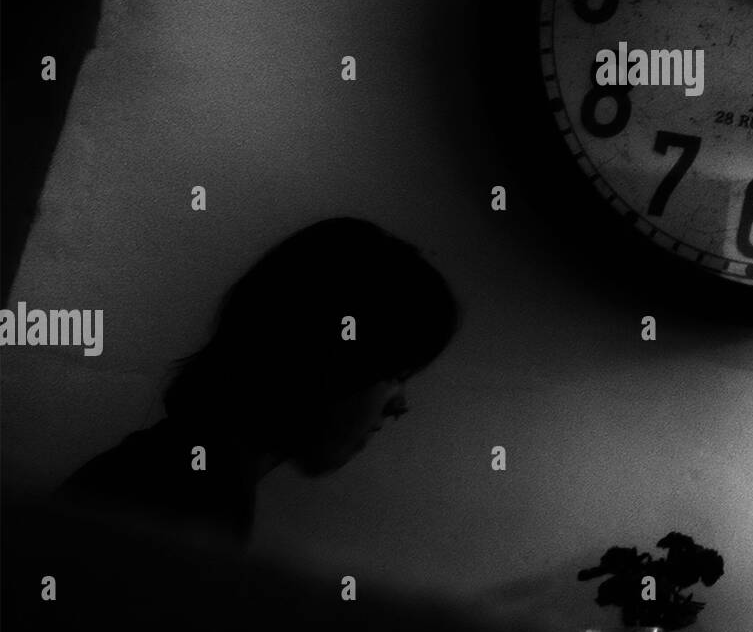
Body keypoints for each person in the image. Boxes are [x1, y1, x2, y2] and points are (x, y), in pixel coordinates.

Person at [56, 217, 459, 546]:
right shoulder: (179, 502)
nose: (400, 407)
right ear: (329, 364)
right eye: (397, 374)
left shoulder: (186, 480)